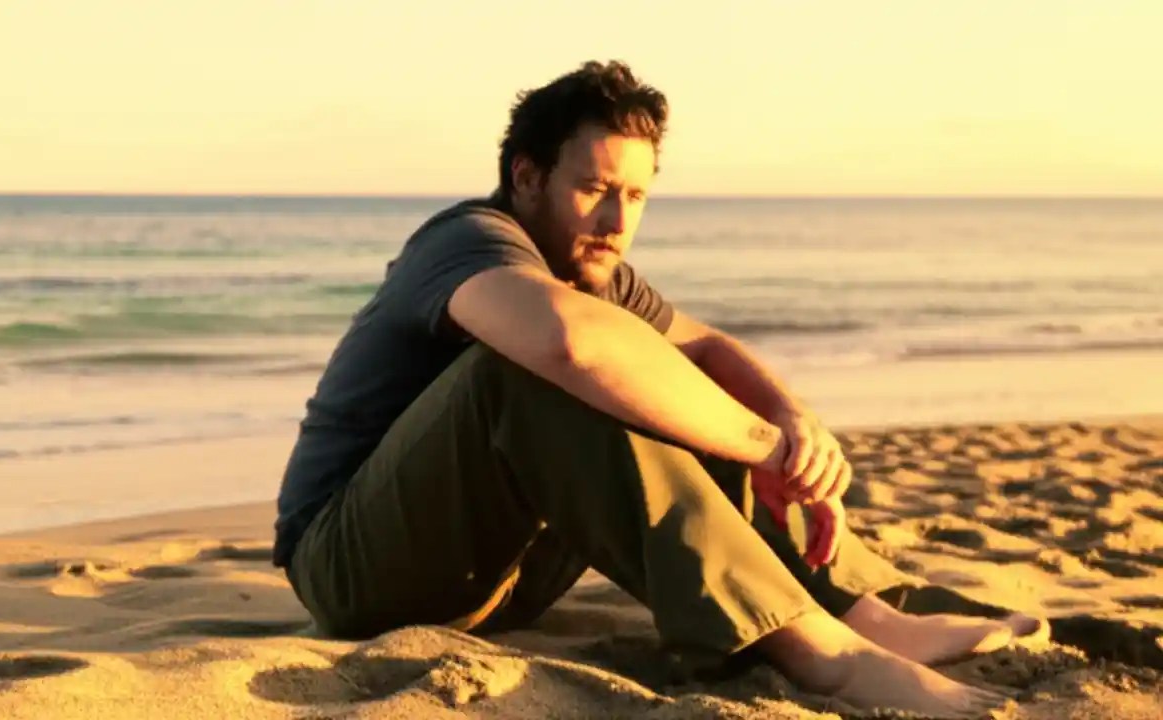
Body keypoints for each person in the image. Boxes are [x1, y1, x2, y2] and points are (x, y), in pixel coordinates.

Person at [274, 60, 1044, 718]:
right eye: (595, 189)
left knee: (668, 378)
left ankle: (863, 613)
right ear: (526, 176)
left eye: (636, 198)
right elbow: (567, 343)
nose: (615, 220)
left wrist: (789, 418)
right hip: (354, 568)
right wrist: (763, 445)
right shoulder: (470, 241)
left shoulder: (592, 267)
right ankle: (820, 650)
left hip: (503, 583)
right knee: (545, 366)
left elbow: (703, 346)